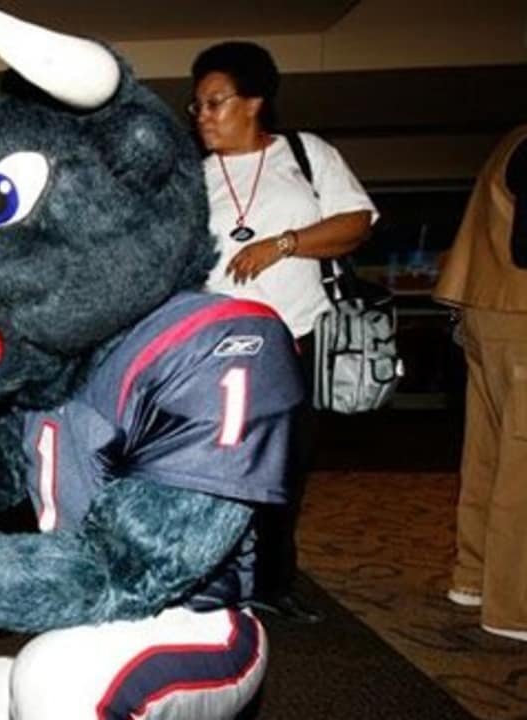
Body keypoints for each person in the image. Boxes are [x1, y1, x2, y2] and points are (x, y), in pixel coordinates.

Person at [189, 41, 377, 624]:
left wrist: (283, 244)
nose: (202, 116)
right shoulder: (192, 177)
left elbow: (356, 223)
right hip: (215, 346)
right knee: (211, 465)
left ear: (253, 102)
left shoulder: (305, 154)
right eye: (197, 106)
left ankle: (271, 583)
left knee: (283, 469)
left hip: (295, 337)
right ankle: (205, 578)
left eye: (215, 102)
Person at [434, 124, 527, 643]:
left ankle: (473, 578)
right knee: (520, 467)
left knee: (489, 453)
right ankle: (516, 606)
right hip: (520, 314)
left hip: (492, 308)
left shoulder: (514, 138)